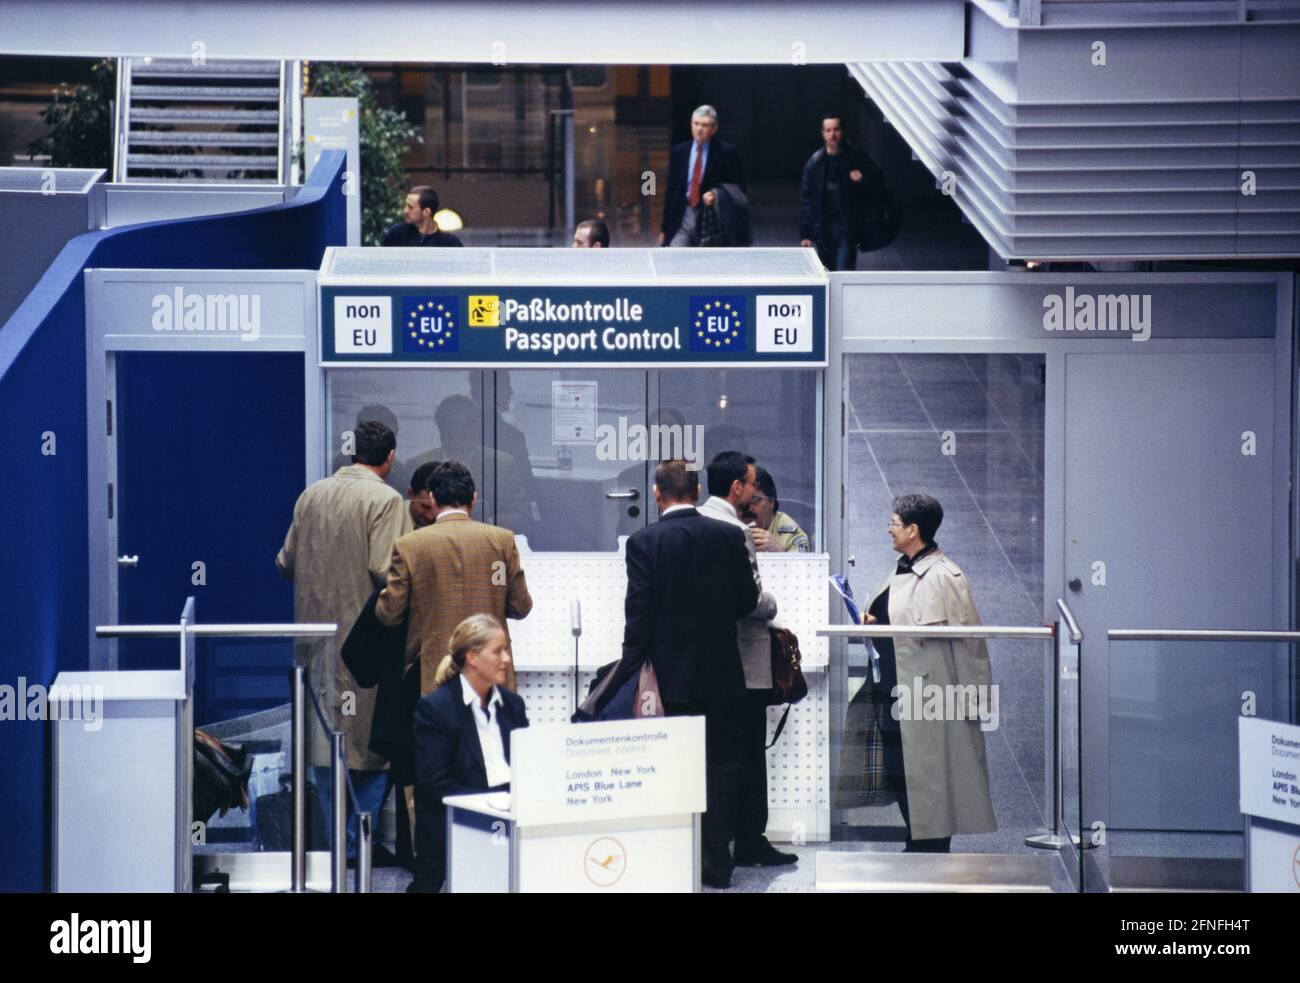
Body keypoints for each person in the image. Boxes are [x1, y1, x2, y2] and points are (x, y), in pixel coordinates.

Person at [276, 420, 412, 859]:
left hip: (311, 640)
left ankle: (338, 844)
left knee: (323, 742)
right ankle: (358, 847)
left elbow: (285, 562)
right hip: (362, 642)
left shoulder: (311, 494)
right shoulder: (386, 500)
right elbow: (388, 570)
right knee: (370, 746)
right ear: (389, 458)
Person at [621, 459, 759, 888]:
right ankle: (717, 865)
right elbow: (745, 601)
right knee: (722, 767)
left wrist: (628, 669)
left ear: (657, 493)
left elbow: (638, 615)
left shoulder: (644, 542)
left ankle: (675, 859)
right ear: (698, 492)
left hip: (669, 679)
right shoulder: (728, 535)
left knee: (669, 767)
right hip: (722, 675)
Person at [861, 493, 997, 851]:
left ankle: (930, 850)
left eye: (893, 523)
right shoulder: (903, 567)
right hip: (894, 688)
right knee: (901, 768)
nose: (888, 530)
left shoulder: (945, 577)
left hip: (929, 699)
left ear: (913, 529)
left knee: (929, 775)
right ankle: (915, 840)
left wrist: (976, 702)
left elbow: (971, 644)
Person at [698, 452, 795, 868]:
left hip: (706, 666)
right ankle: (749, 841)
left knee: (720, 757)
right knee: (748, 756)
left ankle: (721, 843)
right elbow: (750, 600)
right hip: (744, 663)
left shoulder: (695, 524)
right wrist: (771, 603)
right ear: (736, 487)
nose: (756, 493)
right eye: (752, 485)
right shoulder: (735, 532)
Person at [375, 460, 533, 696]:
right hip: (490, 674)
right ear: (474, 498)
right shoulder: (502, 541)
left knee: (440, 731)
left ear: (432, 499)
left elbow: (389, 613)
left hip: (434, 672)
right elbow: (521, 607)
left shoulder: (409, 545)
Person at [410, 613, 528, 892]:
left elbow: (527, 766)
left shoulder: (513, 705)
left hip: (510, 811)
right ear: (472, 657)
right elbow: (434, 783)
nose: (506, 659)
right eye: (498, 651)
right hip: (456, 817)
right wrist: (492, 804)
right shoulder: (436, 709)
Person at [660, 105, 745, 247]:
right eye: (696, 124)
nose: (699, 129)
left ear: (714, 128)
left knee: (707, 262)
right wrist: (664, 228)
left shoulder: (727, 153)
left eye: (705, 125)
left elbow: (740, 187)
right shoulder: (680, 152)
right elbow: (671, 191)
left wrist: (716, 193)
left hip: (711, 218)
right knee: (677, 258)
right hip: (683, 215)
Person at [799, 115, 871, 271]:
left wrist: (861, 181)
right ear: (823, 133)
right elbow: (807, 199)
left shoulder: (856, 158)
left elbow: (874, 189)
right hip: (823, 229)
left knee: (843, 273)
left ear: (842, 132)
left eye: (836, 129)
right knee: (827, 274)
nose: (833, 134)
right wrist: (805, 233)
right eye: (828, 130)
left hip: (847, 227)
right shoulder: (815, 163)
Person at [743, 466, 810, 553]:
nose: (748, 508)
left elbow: (802, 566)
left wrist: (778, 553)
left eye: (755, 500)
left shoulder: (789, 535)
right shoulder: (731, 523)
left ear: (771, 502)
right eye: (744, 500)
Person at [381, 185, 464, 247]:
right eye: (405, 206)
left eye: (410, 207)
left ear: (426, 212)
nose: (405, 210)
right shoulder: (397, 234)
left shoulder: (449, 243)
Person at [406, 461, 438, 528]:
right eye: (425, 507)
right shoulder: (388, 518)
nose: (430, 517)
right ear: (411, 494)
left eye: (437, 509)